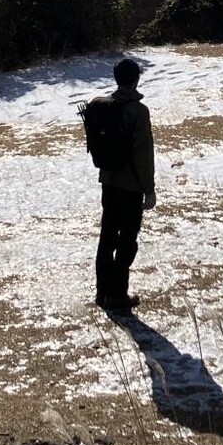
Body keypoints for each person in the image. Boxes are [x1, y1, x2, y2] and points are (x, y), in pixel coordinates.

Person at [93, 57, 156, 314]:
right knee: (127, 240)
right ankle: (117, 295)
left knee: (107, 237)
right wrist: (149, 189)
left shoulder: (102, 106)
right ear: (136, 79)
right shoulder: (138, 111)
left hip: (108, 181)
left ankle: (102, 291)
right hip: (131, 185)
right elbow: (143, 154)